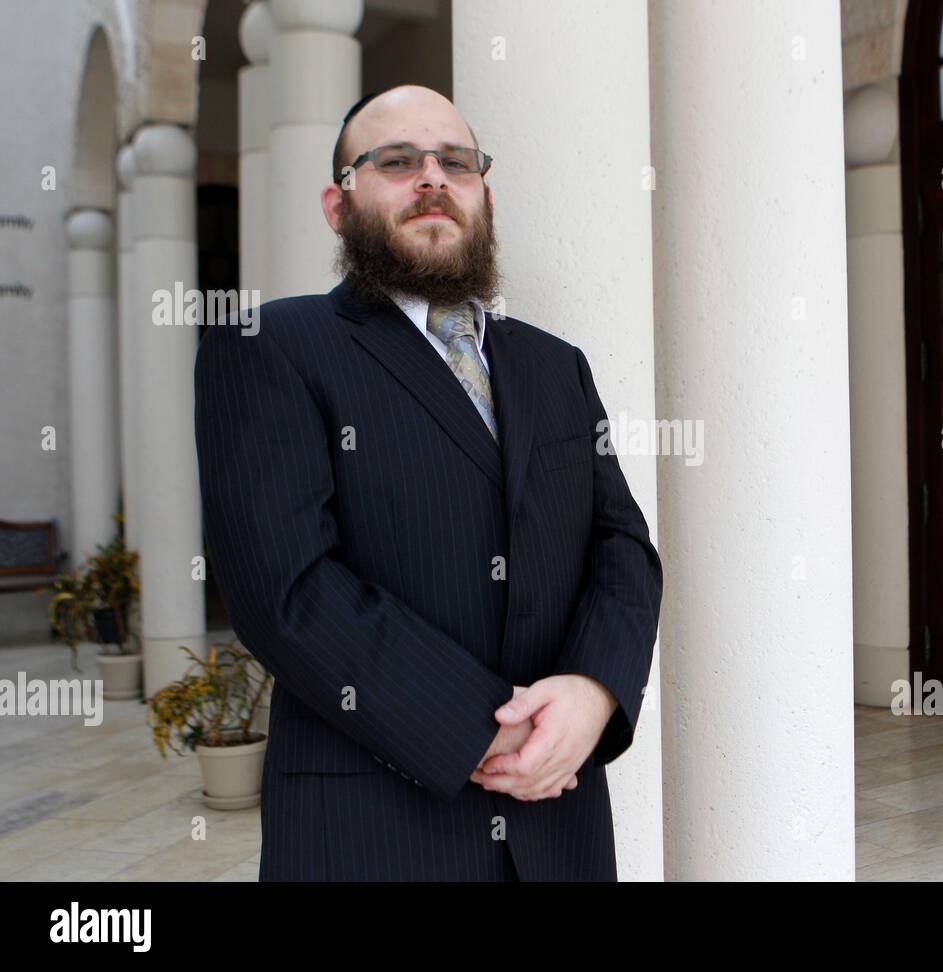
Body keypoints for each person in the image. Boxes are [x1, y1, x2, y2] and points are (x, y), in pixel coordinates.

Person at [193, 84, 663, 881]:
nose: (432, 178)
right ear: (336, 206)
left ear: (482, 195)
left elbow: (623, 545)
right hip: (374, 827)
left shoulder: (556, 365)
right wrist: (483, 726)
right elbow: (288, 591)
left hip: (561, 817)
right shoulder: (273, 346)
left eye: (456, 162)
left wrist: (592, 693)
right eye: (396, 161)